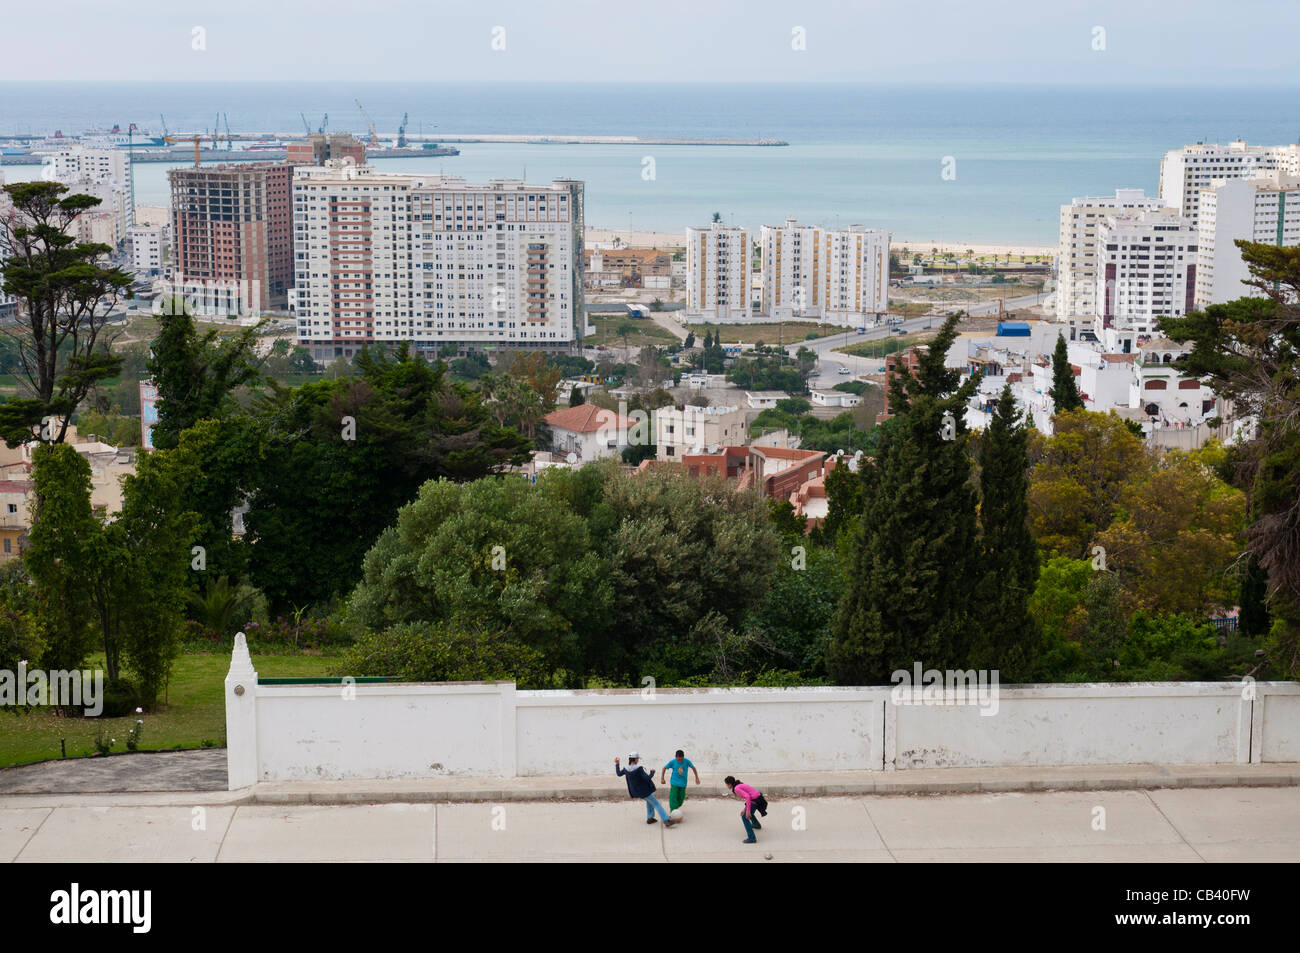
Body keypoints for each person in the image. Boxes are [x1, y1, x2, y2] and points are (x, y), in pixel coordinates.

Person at [616, 753, 677, 827]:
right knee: (656, 804)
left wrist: (617, 764)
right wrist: (652, 772)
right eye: (637, 759)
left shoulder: (626, 769)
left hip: (636, 791)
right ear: (635, 759)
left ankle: (650, 818)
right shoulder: (639, 768)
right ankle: (666, 820)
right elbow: (647, 778)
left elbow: (619, 773)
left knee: (649, 801)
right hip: (644, 790)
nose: (638, 760)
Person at [724, 775, 768, 844]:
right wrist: (745, 809)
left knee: (744, 817)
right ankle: (756, 825)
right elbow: (749, 797)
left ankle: (752, 838)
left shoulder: (736, 788)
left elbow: (747, 797)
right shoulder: (738, 785)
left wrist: (747, 811)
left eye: (726, 784)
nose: (726, 786)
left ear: (730, 784)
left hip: (756, 800)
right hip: (758, 798)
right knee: (748, 813)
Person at [660, 749, 701, 814]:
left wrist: (697, 778)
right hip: (674, 782)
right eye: (678, 759)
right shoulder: (673, 762)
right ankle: (673, 812)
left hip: (683, 783)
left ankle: (675, 808)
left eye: (681, 759)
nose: (680, 760)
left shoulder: (687, 761)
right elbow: (664, 768)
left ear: (683, 757)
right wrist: (662, 778)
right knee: (673, 797)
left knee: (681, 798)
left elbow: (693, 768)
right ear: (675, 757)